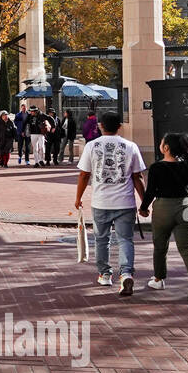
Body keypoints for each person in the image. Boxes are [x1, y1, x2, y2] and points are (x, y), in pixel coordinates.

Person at [75, 111, 147, 296]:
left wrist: (78, 197)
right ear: (119, 127)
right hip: (125, 202)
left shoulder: (92, 146)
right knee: (125, 239)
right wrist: (145, 202)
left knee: (101, 239)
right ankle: (126, 273)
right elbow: (137, 176)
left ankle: (105, 274)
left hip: (101, 201)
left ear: (100, 126)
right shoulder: (130, 146)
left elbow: (84, 174)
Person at [139, 132, 188, 300]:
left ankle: (159, 278)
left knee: (160, 245)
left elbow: (150, 192)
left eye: (162, 143)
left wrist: (143, 208)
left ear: (166, 148)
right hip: (185, 206)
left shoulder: (157, 167)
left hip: (164, 207)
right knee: (186, 247)